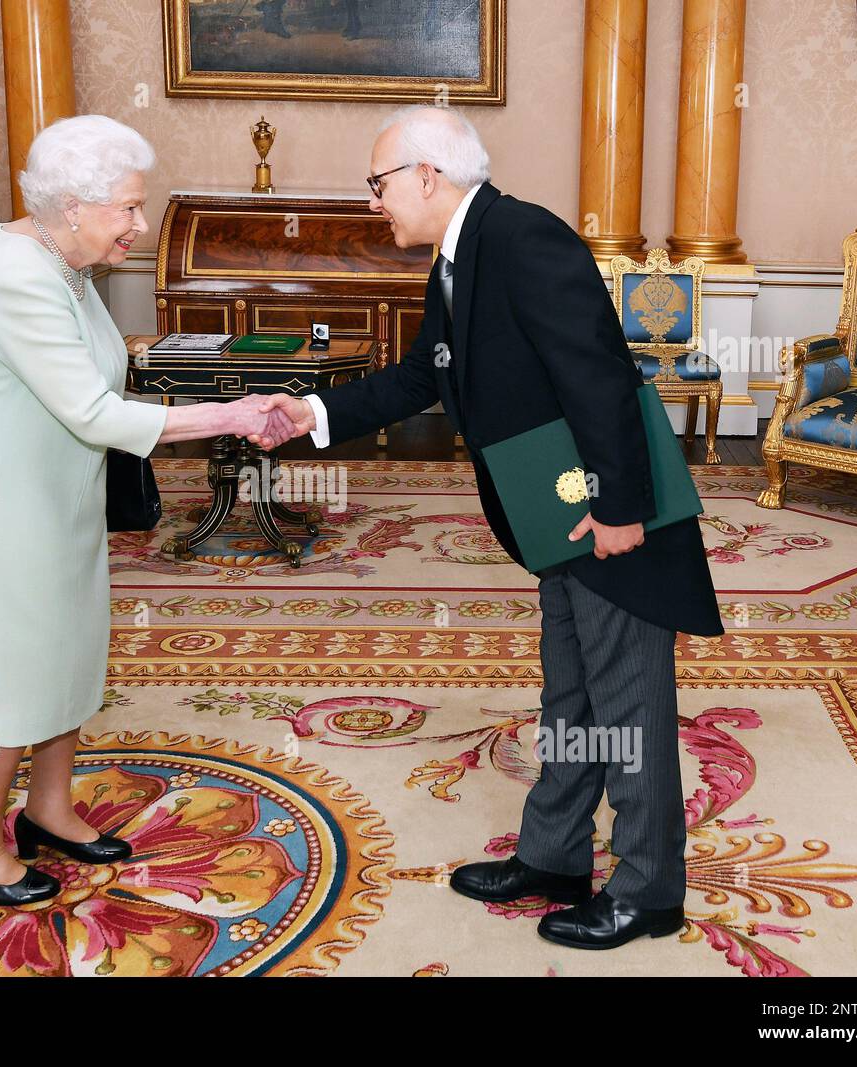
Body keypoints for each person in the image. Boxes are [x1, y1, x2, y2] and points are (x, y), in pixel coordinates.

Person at [257, 105, 723, 950]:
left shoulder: (522, 238)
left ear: (429, 177)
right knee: (572, 694)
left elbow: (601, 375)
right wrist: (313, 411)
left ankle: (651, 888)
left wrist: (621, 508)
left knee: (628, 701)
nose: (375, 203)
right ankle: (554, 856)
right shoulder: (457, 257)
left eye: (380, 183)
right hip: (553, 512)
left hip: (602, 512)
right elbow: (418, 378)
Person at [0, 115, 292, 907]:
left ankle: (49, 809)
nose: (138, 223)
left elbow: (103, 389)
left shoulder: (66, 265)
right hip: (3, 501)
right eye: (127, 207)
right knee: (7, 664)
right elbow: (96, 412)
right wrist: (230, 415)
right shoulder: (13, 274)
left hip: (58, 489)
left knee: (66, 641)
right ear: (71, 205)